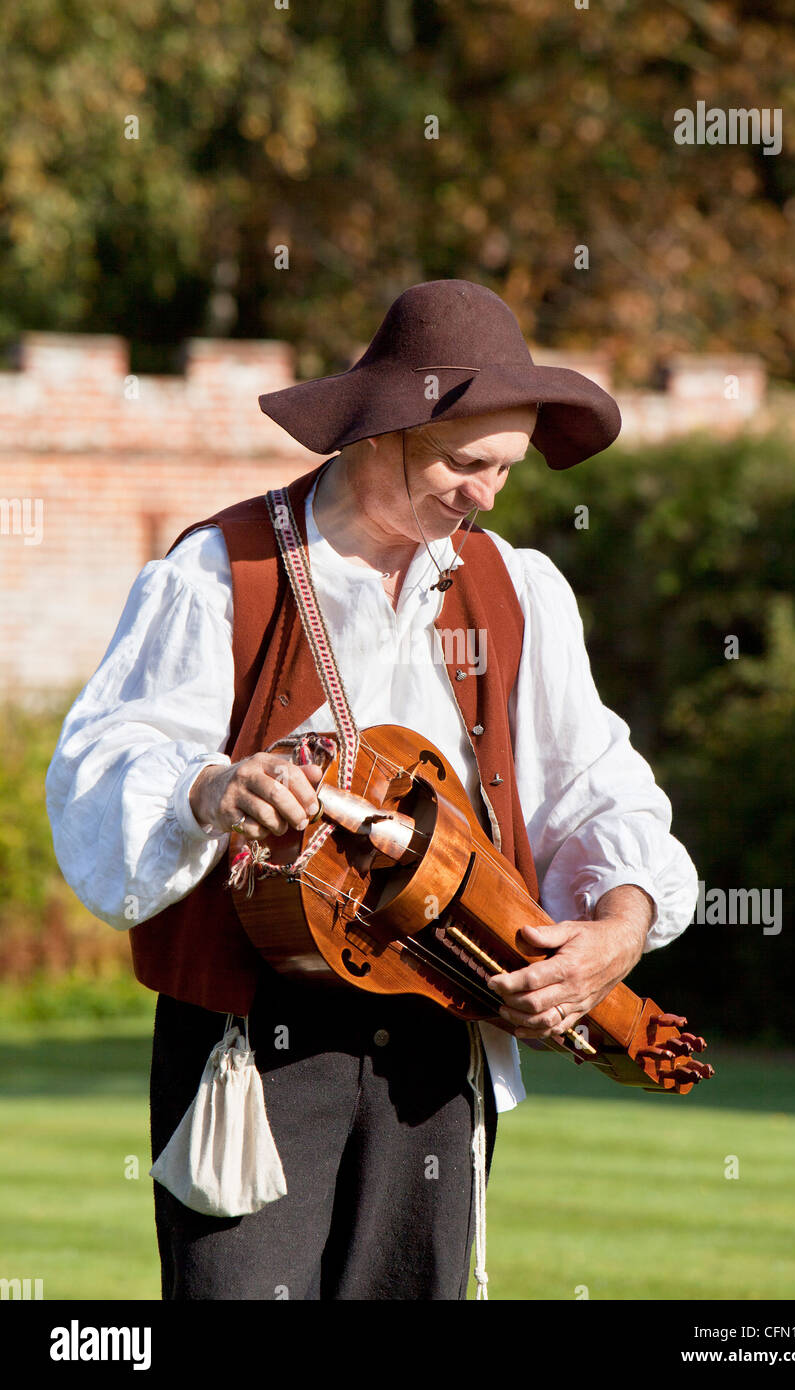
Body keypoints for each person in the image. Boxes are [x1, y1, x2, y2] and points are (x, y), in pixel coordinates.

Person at [46, 278, 698, 1301]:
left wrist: (619, 923)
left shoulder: (518, 591)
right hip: (255, 1050)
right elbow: (102, 758)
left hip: (439, 1045)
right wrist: (209, 787)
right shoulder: (223, 570)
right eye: (465, 462)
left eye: (506, 470)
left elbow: (596, 786)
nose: (487, 494)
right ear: (382, 429)